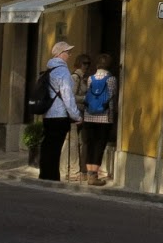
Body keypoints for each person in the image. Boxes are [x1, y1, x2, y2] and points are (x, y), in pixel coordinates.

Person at [39, 40, 81, 181]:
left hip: (47, 115)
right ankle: (52, 178)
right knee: (55, 150)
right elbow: (68, 97)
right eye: (68, 52)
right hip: (60, 116)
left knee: (47, 147)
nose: (69, 55)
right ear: (61, 54)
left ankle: (44, 175)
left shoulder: (49, 71)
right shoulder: (63, 72)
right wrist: (76, 116)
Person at [80, 53, 117, 185]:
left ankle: (89, 173)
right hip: (104, 117)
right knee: (99, 145)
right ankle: (94, 176)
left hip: (89, 115)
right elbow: (112, 95)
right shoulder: (111, 79)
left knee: (90, 144)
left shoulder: (91, 78)